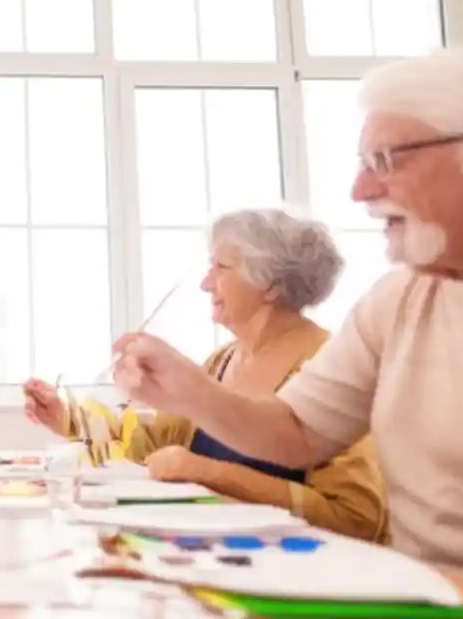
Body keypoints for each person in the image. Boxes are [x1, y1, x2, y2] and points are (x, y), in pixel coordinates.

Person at [110, 50, 463, 583]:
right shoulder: (397, 301)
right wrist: (183, 386)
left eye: (385, 160)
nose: (360, 190)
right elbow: (297, 431)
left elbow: (353, 513)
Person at [24, 209, 387, 541]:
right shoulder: (221, 361)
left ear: (271, 284)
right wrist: (66, 418)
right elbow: (148, 447)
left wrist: (205, 472)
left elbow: (354, 517)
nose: (205, 283)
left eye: (220, 268)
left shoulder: (329, 365)